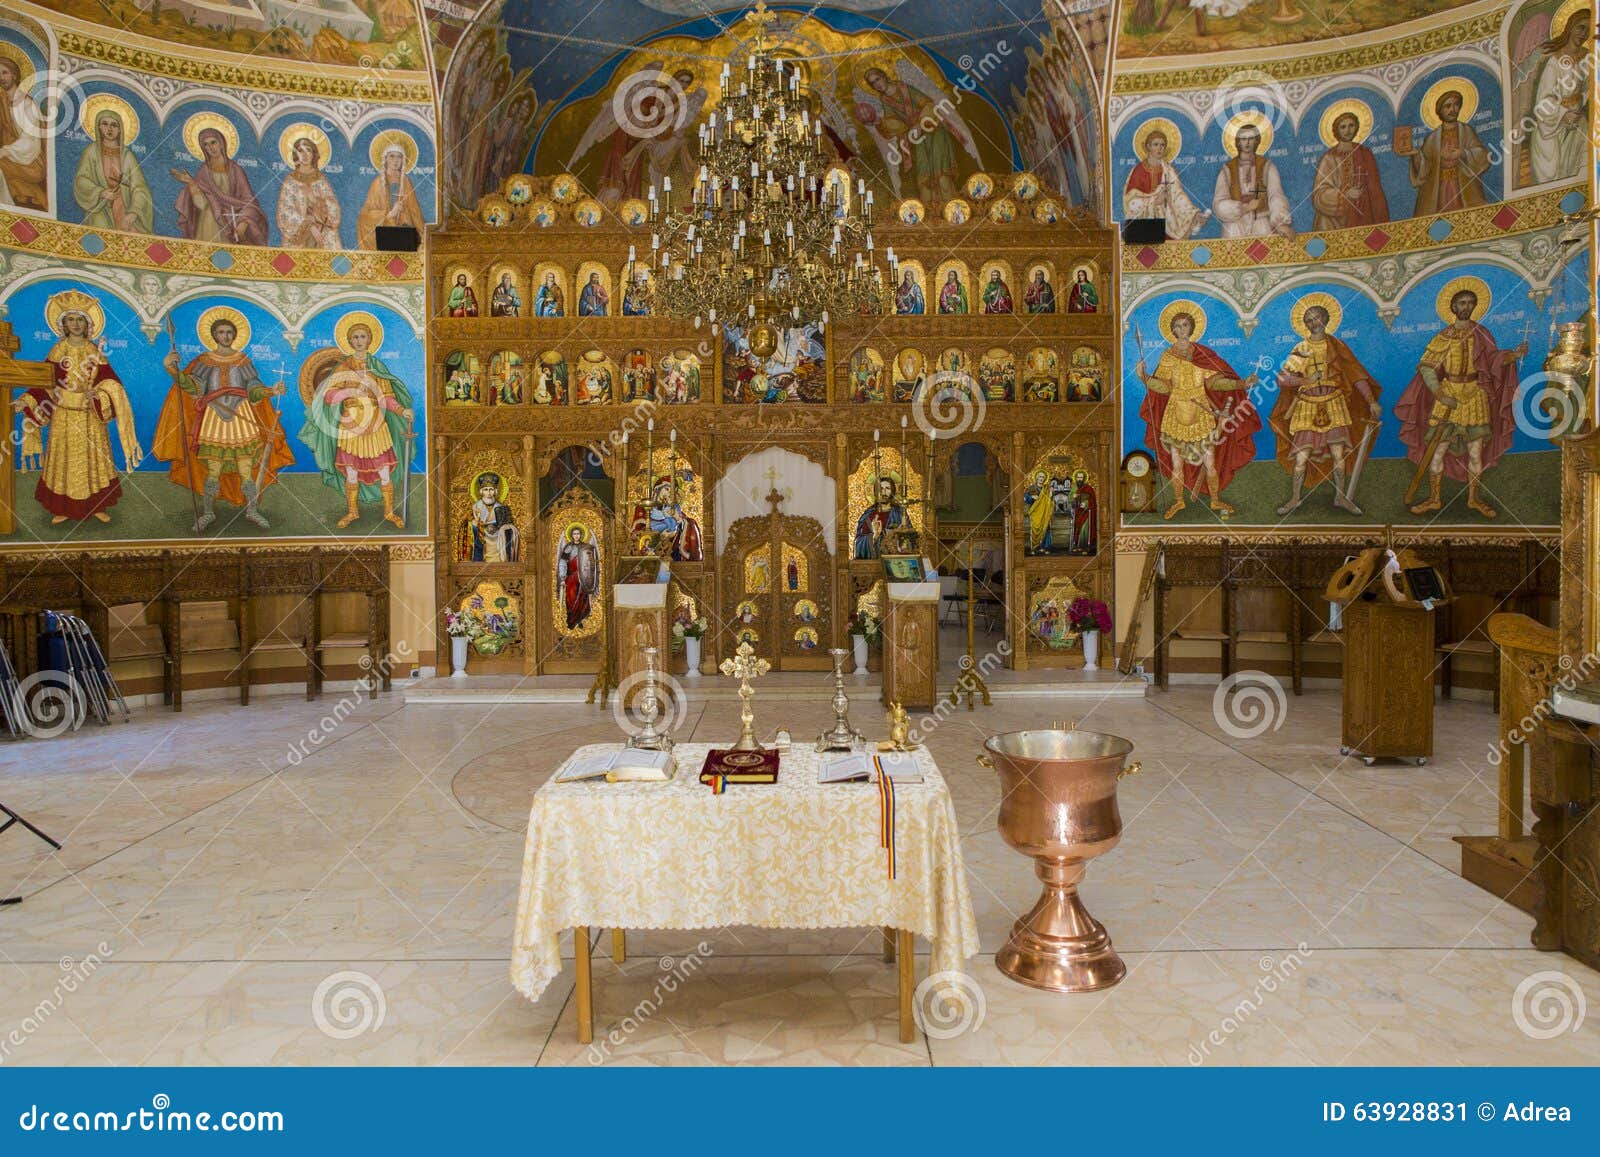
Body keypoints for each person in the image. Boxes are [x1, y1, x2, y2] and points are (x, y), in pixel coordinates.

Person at [153, 313, 290, 531]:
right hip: (214, 417)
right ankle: (208, 513)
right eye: (221, 332)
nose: (225, 336)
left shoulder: (243, 360)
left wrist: (270, 390)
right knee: (213, 469)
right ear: (214, 335)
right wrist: (172, 369)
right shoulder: (205, 360)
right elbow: (193, 386)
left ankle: (252, 510)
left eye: (229, 332)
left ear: (234, 335)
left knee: (246, 467)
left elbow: (253, 389)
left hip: (241, 417)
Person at [1394, 287, 1523, 518]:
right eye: (1461, 303)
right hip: (1448, 394)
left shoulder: (1481, 333)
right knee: (1437, 451)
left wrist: (1512, 356)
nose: (1466, 307)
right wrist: (1439, 393)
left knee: (1475, 453)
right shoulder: (1443, 337)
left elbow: (1493, 359)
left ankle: (1474, 498)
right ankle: (1434, 498)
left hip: (1475, 396)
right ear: (1452, 307)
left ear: (1474, 306)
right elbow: (1427, 367)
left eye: (1470, 303)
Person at [16, 291, 142, 523]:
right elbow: (44, 382)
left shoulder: (95, 351)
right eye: (70, 319)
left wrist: (100, 393)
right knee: (64, 462)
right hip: (64, 416)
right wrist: (27, 400)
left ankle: (97, 506)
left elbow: (112, 382)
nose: (75, 324)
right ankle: (63, 509)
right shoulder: (57, 350)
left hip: (89, 416)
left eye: (80, 319)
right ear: (63, 324)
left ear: (88, 324)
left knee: (94, 461)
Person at [1138, 307, 1261, 518]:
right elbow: (1165, 387)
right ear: (1172, 330)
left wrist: (1241, 383)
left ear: (1192, 327)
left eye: (1185, 324)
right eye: (1177, 326)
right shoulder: (1167, 356)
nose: (1181, 329)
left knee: (1209, 461)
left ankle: (1214, 500)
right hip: (1176, 412)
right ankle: (1178, 502)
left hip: (1201, 411)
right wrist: (1145, 378)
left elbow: (1215, 383)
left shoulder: (1202, 354)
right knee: (1177, 462)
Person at [299, 316, 415, 529]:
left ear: (369, 340)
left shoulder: (376, 366)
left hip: (376, 423)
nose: (359, 340)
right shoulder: (344, 366)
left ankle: (389, 512)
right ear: (350, 341)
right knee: (351, 470)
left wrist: (402, 410)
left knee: (383, 470)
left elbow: (386, 398)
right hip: (351, 423)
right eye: (355, 337)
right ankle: (352, 512)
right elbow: (329, 395)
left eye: (363, 336)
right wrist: (349, 391)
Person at [1270, 303, 1382, 516]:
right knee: (1301, 457)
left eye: (1318, 317)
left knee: (1338, 454)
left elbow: (1357, 375)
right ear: (1305, 325)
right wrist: (1305, 379)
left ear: (1326, 319)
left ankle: (1340, 497)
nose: (1314, 323)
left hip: (1333, 403)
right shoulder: (1302, 348)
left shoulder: (1337, 346)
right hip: (1308, 405)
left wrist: (1371, 401)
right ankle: (1295, 498)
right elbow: (1282, 379)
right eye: (1309, 320)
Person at [172, 125, 268, 245]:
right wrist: (191, 183)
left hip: (231, 221)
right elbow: (201, 204)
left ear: (221, 143)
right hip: (208, 223)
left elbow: (250, 202)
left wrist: (243, 222)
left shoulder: (235, 170)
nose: (210, 148)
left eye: (213, 142)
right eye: (205, 145)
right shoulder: (203, 171)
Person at [1528, 6, 1591, 185]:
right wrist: (1564, 112)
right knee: (1554, 174)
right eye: (1580, 27)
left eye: (1588, 29)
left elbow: (1589, 88)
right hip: (1552, 125)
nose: (1584, 33)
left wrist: (1579, 104)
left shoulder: (1588, 57)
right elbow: (1542, 102)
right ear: (1570, 27)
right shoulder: (1554, 62)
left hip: (1577, 122)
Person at [1407, 89, 1489, 215]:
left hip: (1463, 186)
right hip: (1438, 190)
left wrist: (1462, 153)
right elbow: (1424, 168)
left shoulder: (1466, 131)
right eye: (1448, 106)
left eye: (1456, 105)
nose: (1453, 109)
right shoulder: (1432, 139)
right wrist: (1415, 155)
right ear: (1440, 110)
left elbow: (1482, 155)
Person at [73, 106, 153, 233]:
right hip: (100, 206)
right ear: (98, 127)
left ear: (120, 129)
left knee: (131, 239)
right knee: (100, 234)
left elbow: (140, 188)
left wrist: (134, 211)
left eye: (114, 125)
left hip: (124, 205)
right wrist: (101, 192)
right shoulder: (92, 152)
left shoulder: (127, 156)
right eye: (105, 124)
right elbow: (81, 180)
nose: (109, 129)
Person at [1122, 127, 1207, 240]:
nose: (1159, 148)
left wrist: (1194, 214)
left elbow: (1178, 197)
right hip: (1144, 227)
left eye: (1162, 145)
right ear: (1148, 146)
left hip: (1168, 225)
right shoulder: (1138, 171)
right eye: (1155, 144)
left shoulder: (1168, 170)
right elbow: (1130, 201)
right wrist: (1153, 201)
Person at [1310, 110, 1388, 230]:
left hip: (1364, 211)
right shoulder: (1329, 158)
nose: (1348, 130)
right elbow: (1319, 195)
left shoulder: (1365, 153)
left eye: (1351, 125)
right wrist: (1345, 195)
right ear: (1337, 130)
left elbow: (1375, 188)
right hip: (1335, 219)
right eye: (1343, 127)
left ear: (1356, 127)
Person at [1211, 123, 1294, 238]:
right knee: (1235, 252)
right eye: (1243, 139)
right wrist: (1244, 208)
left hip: (1260, 220)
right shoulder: (1227, 170)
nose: (1247, 142)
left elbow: (1276, 195)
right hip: (1235, 223)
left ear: (1257, 141)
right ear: (1238, 142)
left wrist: (1280, 222)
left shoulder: (1267, 167)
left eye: (1251, 138)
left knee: (1264, 253)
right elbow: (1219, 203)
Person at [275, 134, 341, 248]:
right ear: (296, 155)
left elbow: (334, 212)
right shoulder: (290, 182)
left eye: (308, 151)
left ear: (313, 154)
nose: (305, 155)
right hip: (299, 237)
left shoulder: (321, 180)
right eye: (301, 151)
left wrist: (315, 200)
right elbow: (285, 212)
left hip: (322, 233)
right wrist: (309, 226)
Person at [357, 141, 425, 249]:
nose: (396, 161)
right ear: (386, 159)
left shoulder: (406, 181)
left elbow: (415, 211)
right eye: (392, 156)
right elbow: (365, 216)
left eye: (399, 157)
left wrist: (422, 235)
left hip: (404, 233)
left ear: (403, 160)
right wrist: (388, 215)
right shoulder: (378, 183)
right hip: (384, 233)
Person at [0, 54, 46, 210]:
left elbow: (30, 141)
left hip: (31, 162)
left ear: (14, 75)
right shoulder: (1, 102)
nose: (1, 77)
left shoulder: (27, 104)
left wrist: (5, 151)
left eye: (4, 72)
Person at [632, 475, 703, 561]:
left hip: (671, 542)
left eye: (672, 492)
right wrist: (659, 534)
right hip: (651, 539)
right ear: (657, 489)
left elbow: (679, 520)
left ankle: (691, 559)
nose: (669, 493)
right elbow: (637, 528)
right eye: (666, 489)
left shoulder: (672, 507)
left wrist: (679, 520)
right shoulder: (645, 506)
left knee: (690, 523)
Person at [464, 474, 518, 562]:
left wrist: (505, 527)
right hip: (482, 539)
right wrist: (476, 523)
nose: (489, 493)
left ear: (496, 492)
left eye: (491, 489)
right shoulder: (476, 507)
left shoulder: (500, 507)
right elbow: (469, 525)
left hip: (499, 540)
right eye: (486, 490)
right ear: (481, 492)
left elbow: (508, 525)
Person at [852, 475, 907, 559]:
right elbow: (858, 543)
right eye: (880, 489)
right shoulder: (868, 515)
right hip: (873, 564)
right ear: (875, 492)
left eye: (887, 488)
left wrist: (894, 534)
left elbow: (910, 539)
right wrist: (874, 537)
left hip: (894, 561)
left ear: (893, 491)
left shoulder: (900, 514)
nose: (884, 492)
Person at [557, 526, 599, 630]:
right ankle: (571, 620)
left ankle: (580, 619)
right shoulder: (568, 547)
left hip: (583, 578)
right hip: (571, 578)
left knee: (583, 598)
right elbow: (563, 562)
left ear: (581, 535)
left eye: (578, 534)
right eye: (574, 534)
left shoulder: (586, 547)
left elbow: (590, 563)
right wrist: (562, 577)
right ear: (571, 535)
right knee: (571, 598)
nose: (576, 536)